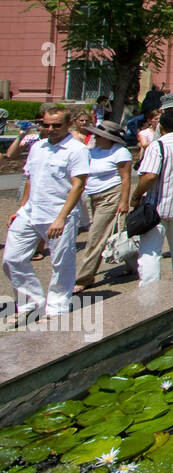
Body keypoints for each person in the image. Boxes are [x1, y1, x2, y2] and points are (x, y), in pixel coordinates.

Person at [2, 105, 90, 320]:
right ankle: (31, 303)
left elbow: (78, 185)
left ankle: (57, 307)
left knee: (61, 263)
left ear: (68, 125)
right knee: (12, 258)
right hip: (31, 211)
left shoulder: (77, 150)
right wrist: (21, 208)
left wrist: (61, 218)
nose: (50, 129)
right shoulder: (38, 147)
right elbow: (31, 179)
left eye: (56, 125)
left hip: (59, 214)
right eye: (46, 124)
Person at [132, 107, 173, 285]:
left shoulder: (158, 146)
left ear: (161, 127)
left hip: (158, 206)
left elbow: (150, 176)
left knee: (150, 251)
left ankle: (149, 288)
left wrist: (136, 195)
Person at [74, 120, 133, 288]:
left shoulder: (120, 152)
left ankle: (83, 278)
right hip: (92, 196)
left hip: (111, 196)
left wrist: (124, 201)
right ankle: (135, 263)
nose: (95, 137)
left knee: (96, 237)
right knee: (115, 233)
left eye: (98, 135)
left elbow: (126, 178)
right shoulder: (94, 151)